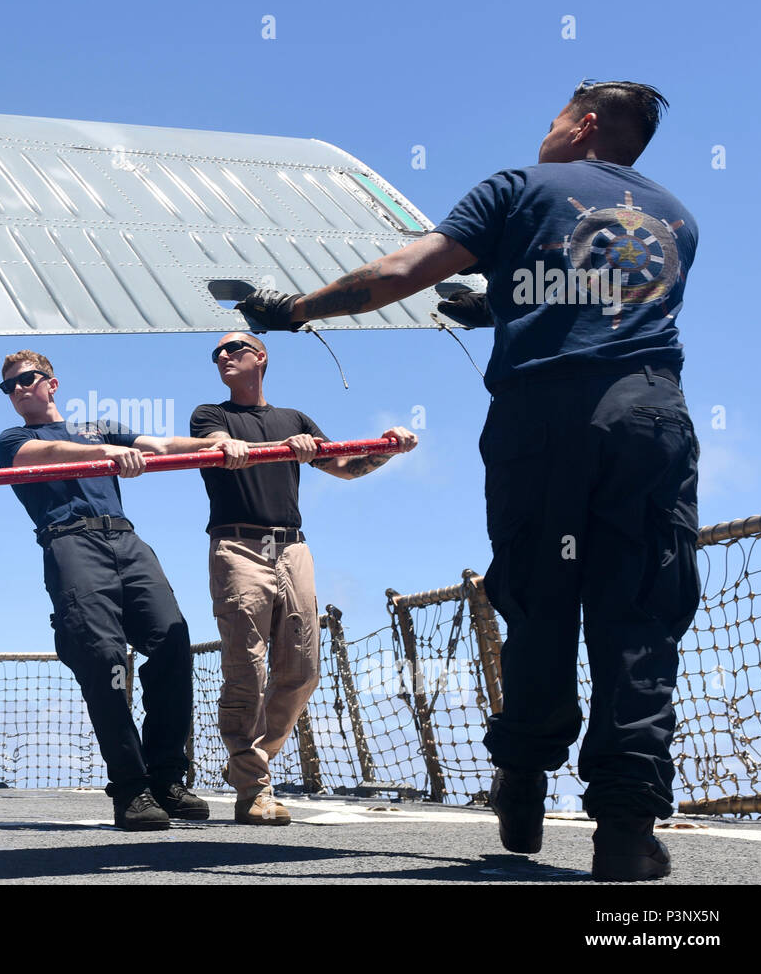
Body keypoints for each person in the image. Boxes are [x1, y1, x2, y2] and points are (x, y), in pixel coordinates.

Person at [235, 81, 698, 881]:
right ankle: (626, 827)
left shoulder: (517, 185)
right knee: (641, 614)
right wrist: (499, 307)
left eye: (554, 117)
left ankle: (520, 774)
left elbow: (406, 267)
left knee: (537, 598)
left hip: (541, 422)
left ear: (583, 123)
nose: (545, 129)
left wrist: (295, 309)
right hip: (651, 420)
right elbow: (597, 293)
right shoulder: (679, 218)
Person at [0, 350, 250, 830]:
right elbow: (40, 456)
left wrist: (218, 444)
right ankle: (132, 789)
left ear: (52, 382)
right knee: (103, 657)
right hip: (70, 543)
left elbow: (159, 445)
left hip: (127, 540)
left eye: (27, 380)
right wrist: (105, 454)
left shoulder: (100, 427)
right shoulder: (14, 438)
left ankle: (168, 779)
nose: (19, 390)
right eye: (9, 387)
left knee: (173, 643)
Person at [191, 332, 417, 824]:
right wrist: (266, 448)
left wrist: (388, 449)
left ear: (261, 357)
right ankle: (253, 788)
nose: (223, 357)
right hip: (238, 546)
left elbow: (345, 467)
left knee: (303, 668)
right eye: (217, 354)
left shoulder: (295, 419)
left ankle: (251, 762)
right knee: (246, 667)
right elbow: (215, 444)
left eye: (234, 349)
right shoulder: (212, 415)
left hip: (291, 547)